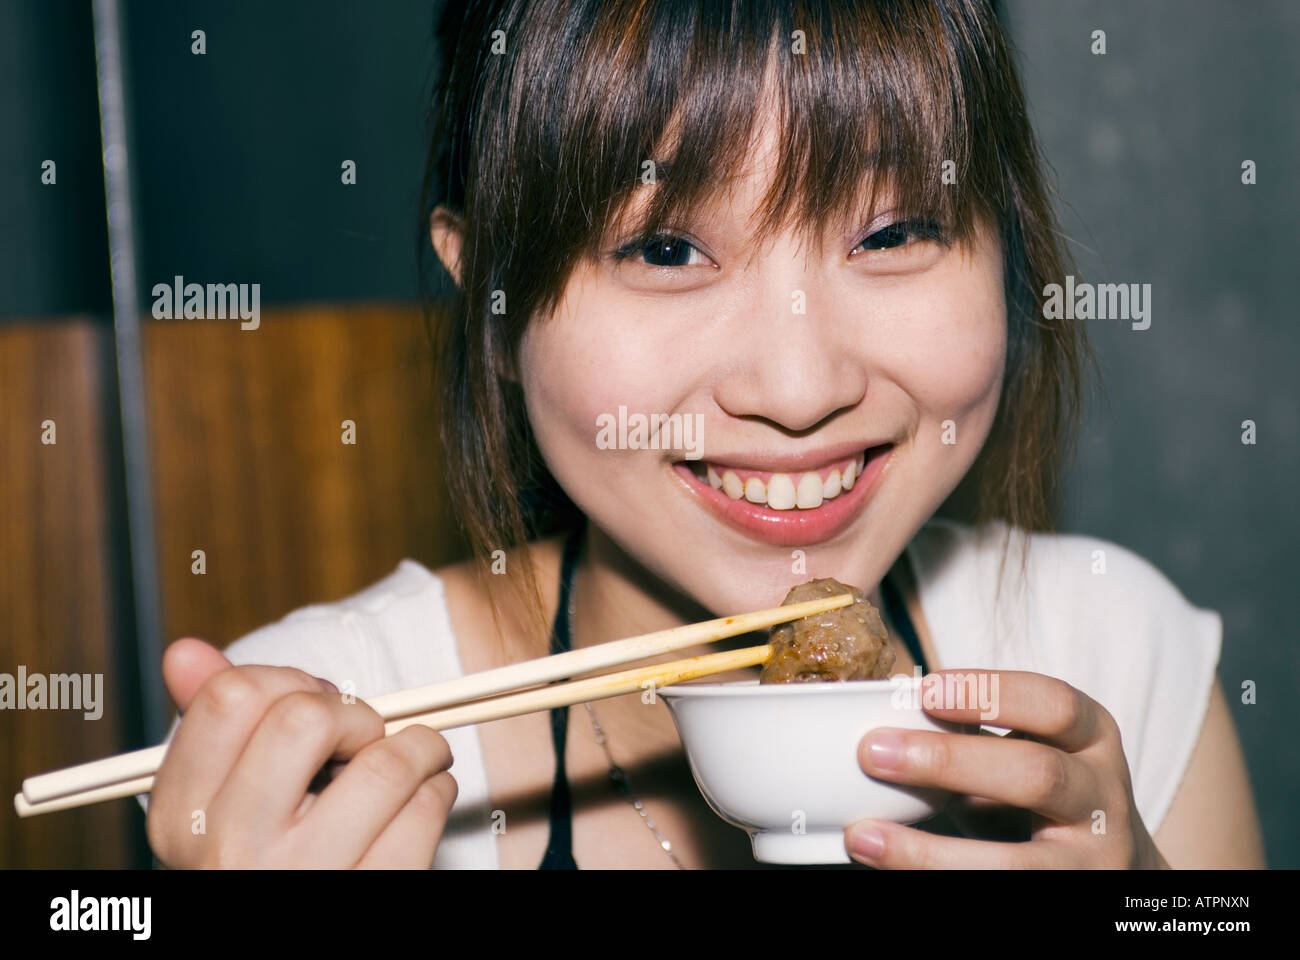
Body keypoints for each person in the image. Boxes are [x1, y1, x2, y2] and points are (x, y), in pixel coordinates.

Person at [141, 0, 1266, 869]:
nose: (797, 385)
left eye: (891, 232)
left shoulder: (1110, 653)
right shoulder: (317, 751)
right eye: (666, 250)